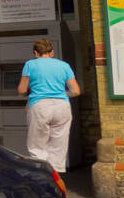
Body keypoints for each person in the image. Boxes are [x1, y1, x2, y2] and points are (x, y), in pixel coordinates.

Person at [18, 38, 79, 173]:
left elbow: (22, 90)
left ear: (35, 53)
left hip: (40, 106)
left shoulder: (30, 65)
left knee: (37, 146)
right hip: (62, 106)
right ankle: (56, 177)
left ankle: (42, 176)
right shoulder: (64, 66)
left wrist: (29, 93)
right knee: (59, 146)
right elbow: (76, 91)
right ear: (52, 52)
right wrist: (60, 94)